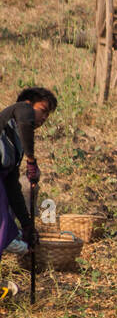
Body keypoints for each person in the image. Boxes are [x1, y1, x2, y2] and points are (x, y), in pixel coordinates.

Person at [0, 87, 57, 255]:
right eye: (43, 111)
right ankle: (11, 240)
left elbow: (13, 187)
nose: (44, 118)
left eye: (48, 115)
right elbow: (26, 118)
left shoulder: (16, 145)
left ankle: (12, 238)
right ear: (28, 104)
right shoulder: (20, 109)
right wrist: (31, 161)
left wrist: (27, 224)